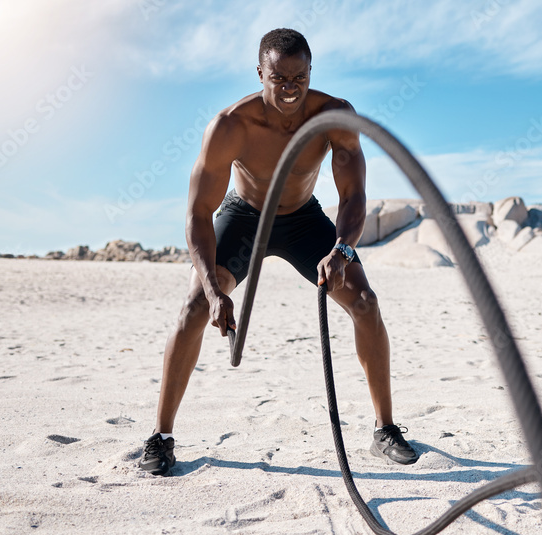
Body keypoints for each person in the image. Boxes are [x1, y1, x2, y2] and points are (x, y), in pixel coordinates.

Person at [139, 28, 418, 476]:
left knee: (365, 303)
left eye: (299, 78)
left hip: (304, 220)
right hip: (244, 217)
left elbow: (353, 196)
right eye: (279, 79)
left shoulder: (334, 115)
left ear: (311, 72)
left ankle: (385, 429)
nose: (290, 89)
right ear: (259, 73)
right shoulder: (230, 125)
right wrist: (214, 291)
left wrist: (342, 250)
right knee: (194, 307)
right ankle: (161, 436)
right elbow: (197, 215)